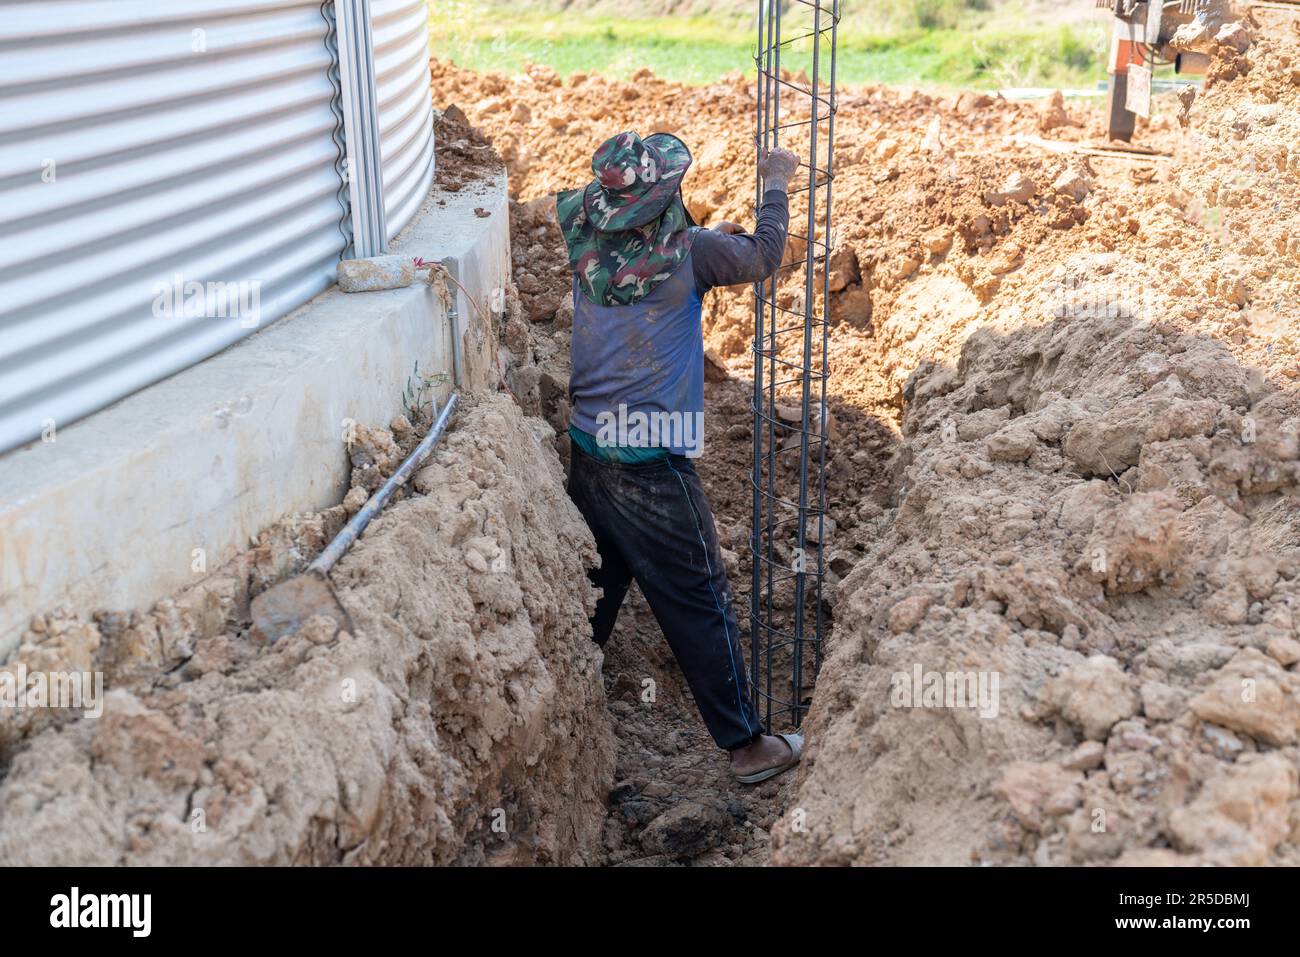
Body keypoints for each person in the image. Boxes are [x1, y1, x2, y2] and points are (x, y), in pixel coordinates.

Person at [556, 130, 803, 783]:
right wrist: (775, 182)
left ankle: (568, 696)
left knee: (601, 581)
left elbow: (645, 253)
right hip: (649, 464)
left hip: (588, 443)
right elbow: (764, 255)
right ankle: (747, 746)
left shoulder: (580, 229)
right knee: (699, 596)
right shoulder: (693, 254)